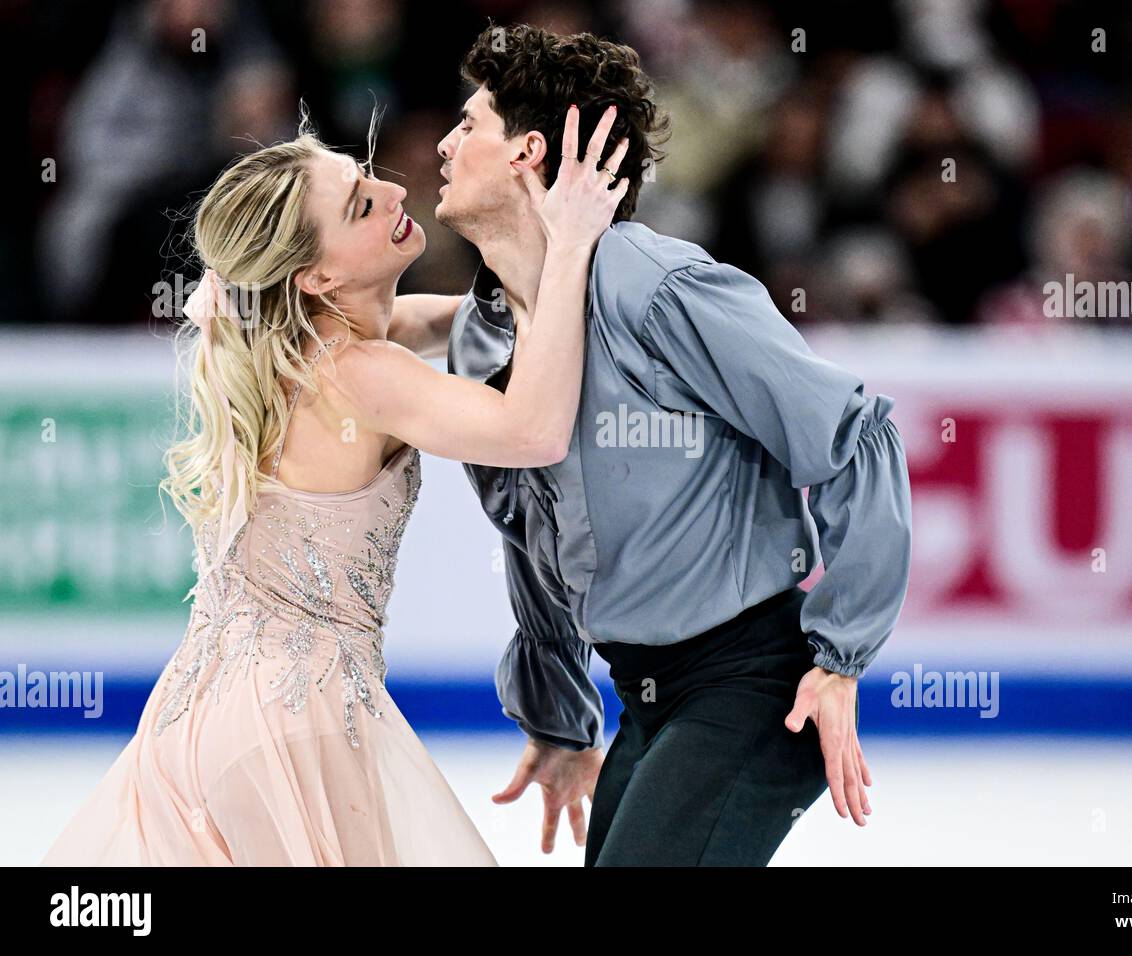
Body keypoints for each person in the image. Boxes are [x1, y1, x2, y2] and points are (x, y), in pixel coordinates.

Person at [40, 103, 629, 866]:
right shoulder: (361, 375)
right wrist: (576, 238)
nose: (392, 193)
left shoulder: (300, 344)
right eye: (359, 204)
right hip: (292, 726)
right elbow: (535, 430)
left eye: (367, 177)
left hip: (201, 719)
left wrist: (525, 255)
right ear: (316, 275)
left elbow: (459, 321)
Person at [438, 24, 913, 866]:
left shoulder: (651, 287)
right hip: (646, 699)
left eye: (469, 123)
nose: (443, 143)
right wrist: (557, 716)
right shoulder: (485, 337)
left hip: (754, 688)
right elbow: (535, 542)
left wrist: (841, 659)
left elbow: (853, 435)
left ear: (528, 151)